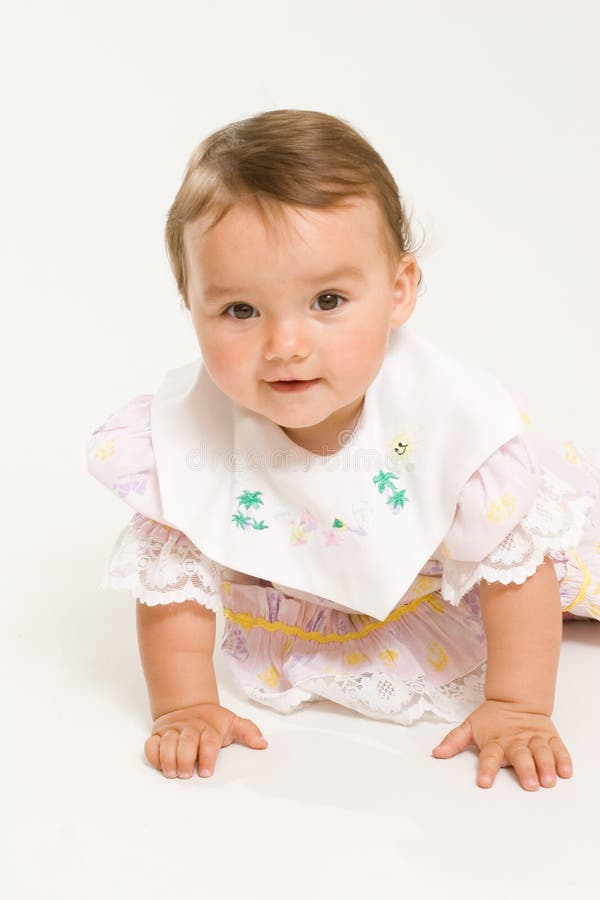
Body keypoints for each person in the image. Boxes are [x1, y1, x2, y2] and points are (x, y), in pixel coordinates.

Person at [86, 108, 600, 792]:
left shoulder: (444, 418)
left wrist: (517, 705)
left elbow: (515, 567)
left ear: (398, 291)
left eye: (327, 300)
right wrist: (184, 706)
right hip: (323, 598)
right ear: (191, 301)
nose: (285, 345)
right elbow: (173, 577)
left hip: (446, 583)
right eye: (240, 310)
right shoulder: (192, 432)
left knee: (565, 575)